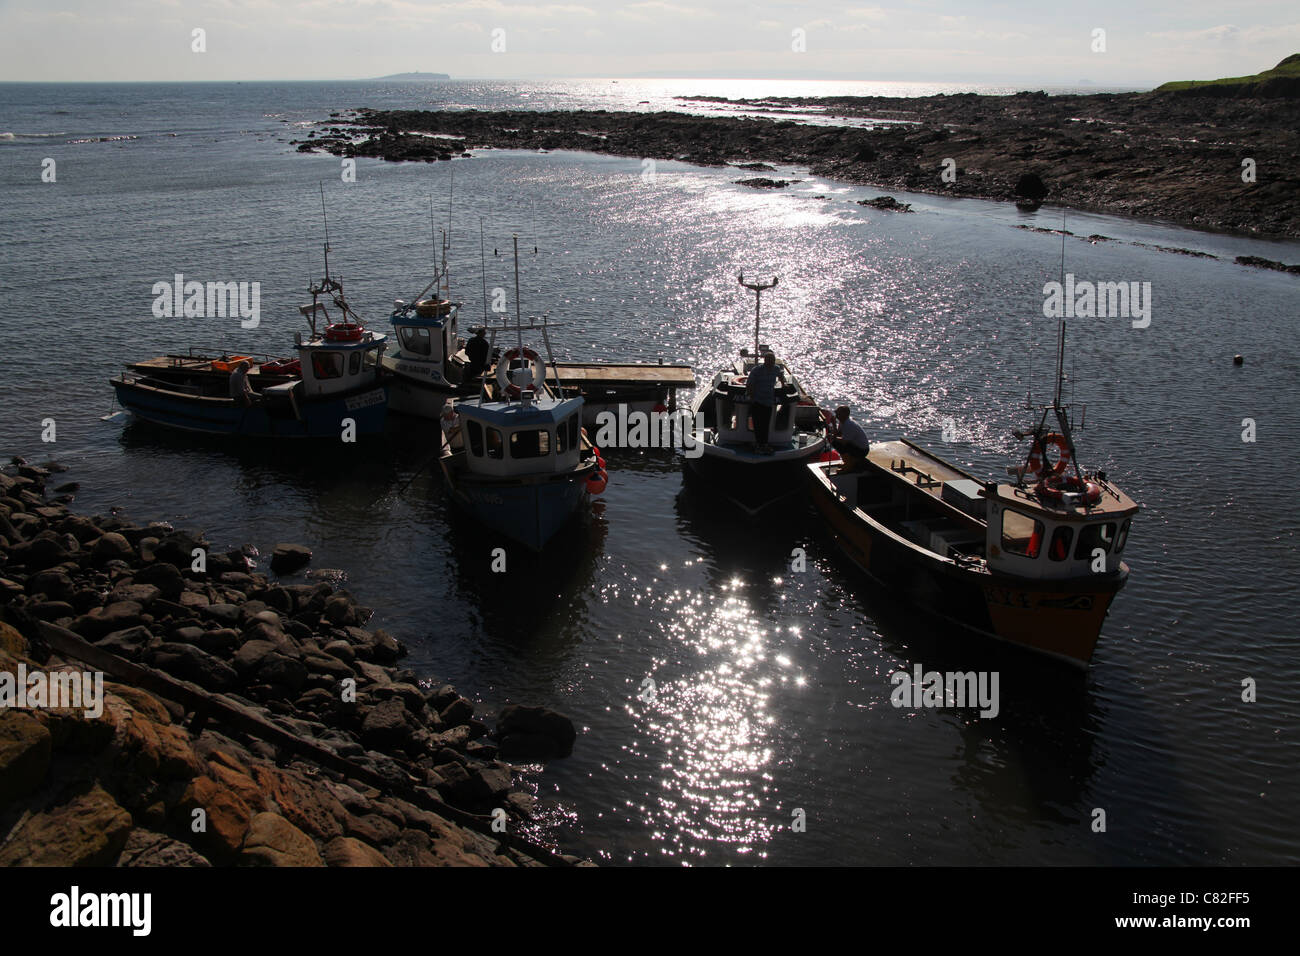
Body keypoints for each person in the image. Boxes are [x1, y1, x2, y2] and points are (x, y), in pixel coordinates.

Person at [745, 352, 784, 454]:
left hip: (768, 402)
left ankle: (764, 444)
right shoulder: (756, 370)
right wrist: (752, 397)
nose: (771, 362)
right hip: (757, 401)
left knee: (765, 424)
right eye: (769, 360)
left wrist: (784, 384)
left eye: (773, 360)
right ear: (765, 360)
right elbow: (749, 384)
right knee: (758, 424)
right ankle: (759, 445)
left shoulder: (776, 369)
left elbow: (780, 375)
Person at [832, 405, 870, 469]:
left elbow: (844, 442)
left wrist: (833, 438)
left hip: (862, 450)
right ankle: (847, 462)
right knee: (835, 441)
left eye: (838, 413)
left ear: (844, 414)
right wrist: (834, 424)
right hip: (855, 446)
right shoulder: (842, 422)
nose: (836, 415)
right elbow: (838, 434)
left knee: (837, 443)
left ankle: (848, 465)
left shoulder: (848, 425)